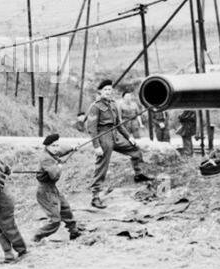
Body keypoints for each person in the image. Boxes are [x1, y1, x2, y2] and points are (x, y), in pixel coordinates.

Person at [84, 78, 153, 208]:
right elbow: (91, 129)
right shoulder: (95, 106)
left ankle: (138, 174)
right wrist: (96, 146)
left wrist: (129, 137)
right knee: (102, 166)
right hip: (103, 136)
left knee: (135, 150)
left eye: (110, 89)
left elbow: (119, 124)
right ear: (100, 92)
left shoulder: (114, 104)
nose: (108, 92)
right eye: (105, 90)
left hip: (115, 135)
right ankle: (95, 196)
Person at [32, 134, 82, 243]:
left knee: (65, 208)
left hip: (52, 188)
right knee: (55, 220)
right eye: (54, 146)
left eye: (57, 145)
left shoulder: (52, 152)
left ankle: (74, 232)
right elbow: (54, 175)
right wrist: (58, 167)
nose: (56, 148)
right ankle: (36, 237)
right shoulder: (46, 158)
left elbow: (61, 151)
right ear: (47, 147)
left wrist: (73, 148)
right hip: (45, 191)